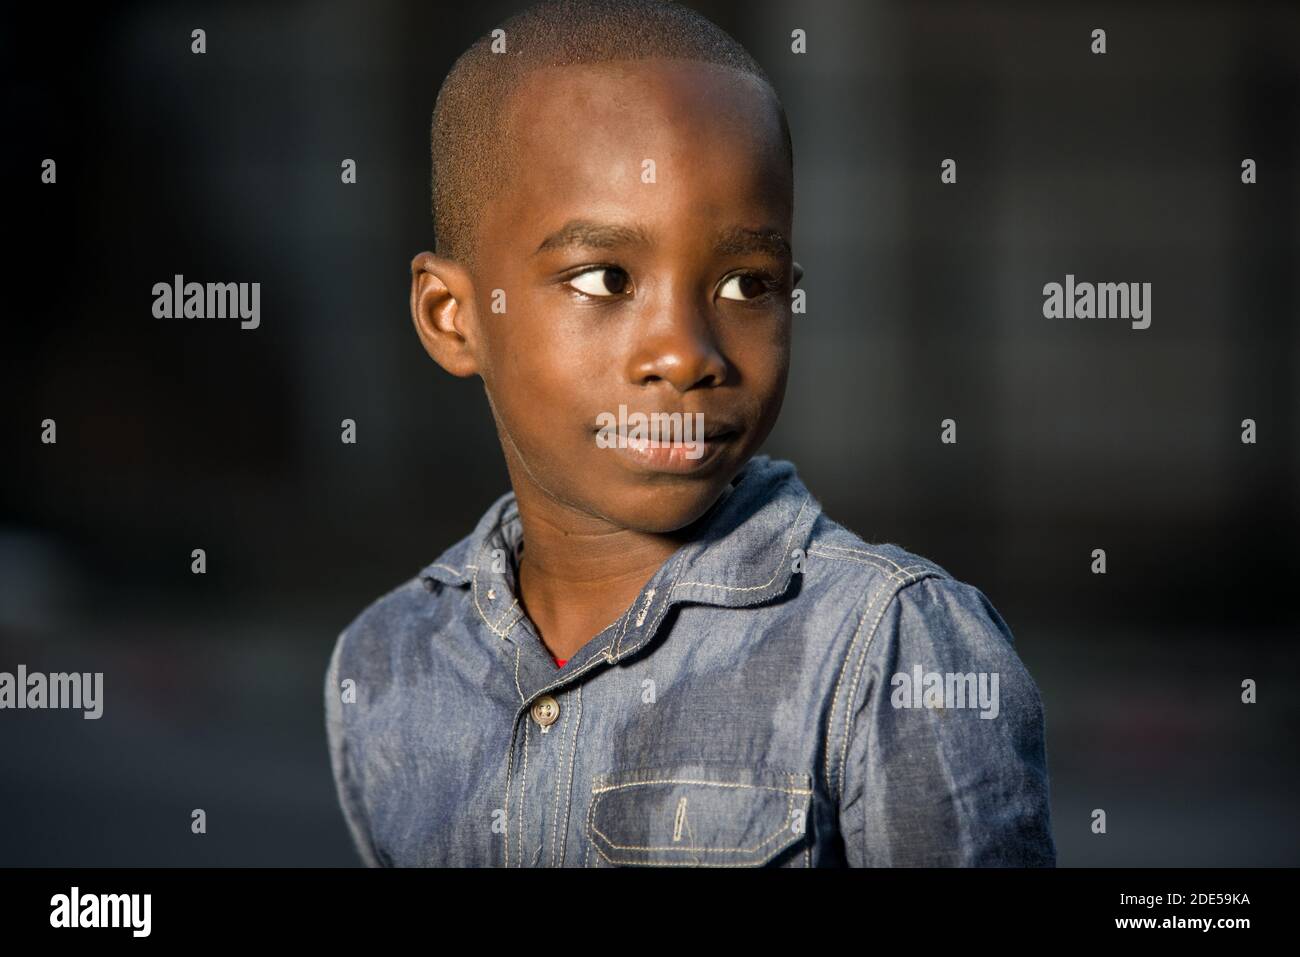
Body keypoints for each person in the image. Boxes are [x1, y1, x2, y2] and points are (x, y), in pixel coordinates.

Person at [325, 0, 1056, 867]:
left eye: (749, 284)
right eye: (605, 277)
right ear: (454, 317)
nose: (685, 352)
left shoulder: (890, 649)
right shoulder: (389, 662)